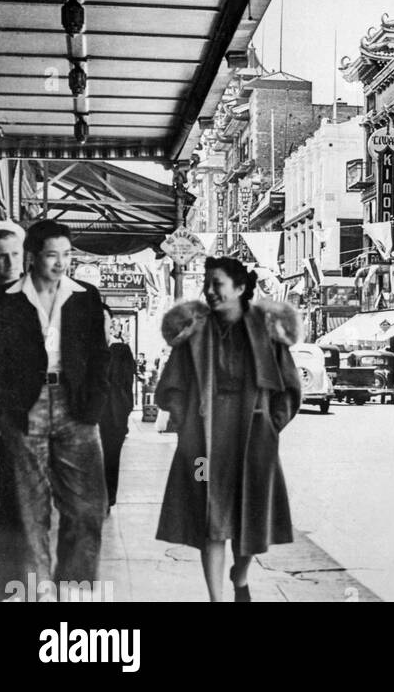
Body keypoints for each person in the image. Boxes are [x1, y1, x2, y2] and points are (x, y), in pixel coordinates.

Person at [154, 257, 301, 603]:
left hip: (254, 440)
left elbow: (290, 389)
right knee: (210, 517)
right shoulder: (194, 332)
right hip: (203, 445)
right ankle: (216, 599)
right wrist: (187, 423)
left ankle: (241, 574)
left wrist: (271, 425)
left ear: (239, 288)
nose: (208, 291)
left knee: (252, 515)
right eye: (207, 284)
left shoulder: (267, 333)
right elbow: (170, 388)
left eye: (216, 284)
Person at [0, 218, 110, 592]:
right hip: (25, 409)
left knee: (87, 506)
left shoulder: (84, 296)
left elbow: (99, 355)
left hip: (76, 407)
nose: (61, 263)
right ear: (32, 257)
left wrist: (94, 405)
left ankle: (73, 588)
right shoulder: (3, 300)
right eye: (52, 255)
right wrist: (4, 411)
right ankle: (36, 590)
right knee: (29, 508)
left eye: (67, 254)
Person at [0, 222, 25, 598]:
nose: (9, 263)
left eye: (15, 255)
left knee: (20, 499)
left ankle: (10, 580)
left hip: (21, 417)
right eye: (1, 256)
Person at [98, 307, 137, 513]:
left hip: (113, 414)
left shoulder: (121, 350)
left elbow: (127, 383)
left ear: (111, 324)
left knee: (111, 458)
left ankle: (107, 499)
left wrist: (124, 410)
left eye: (103, 319)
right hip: (89, 413)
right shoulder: (85, 349)